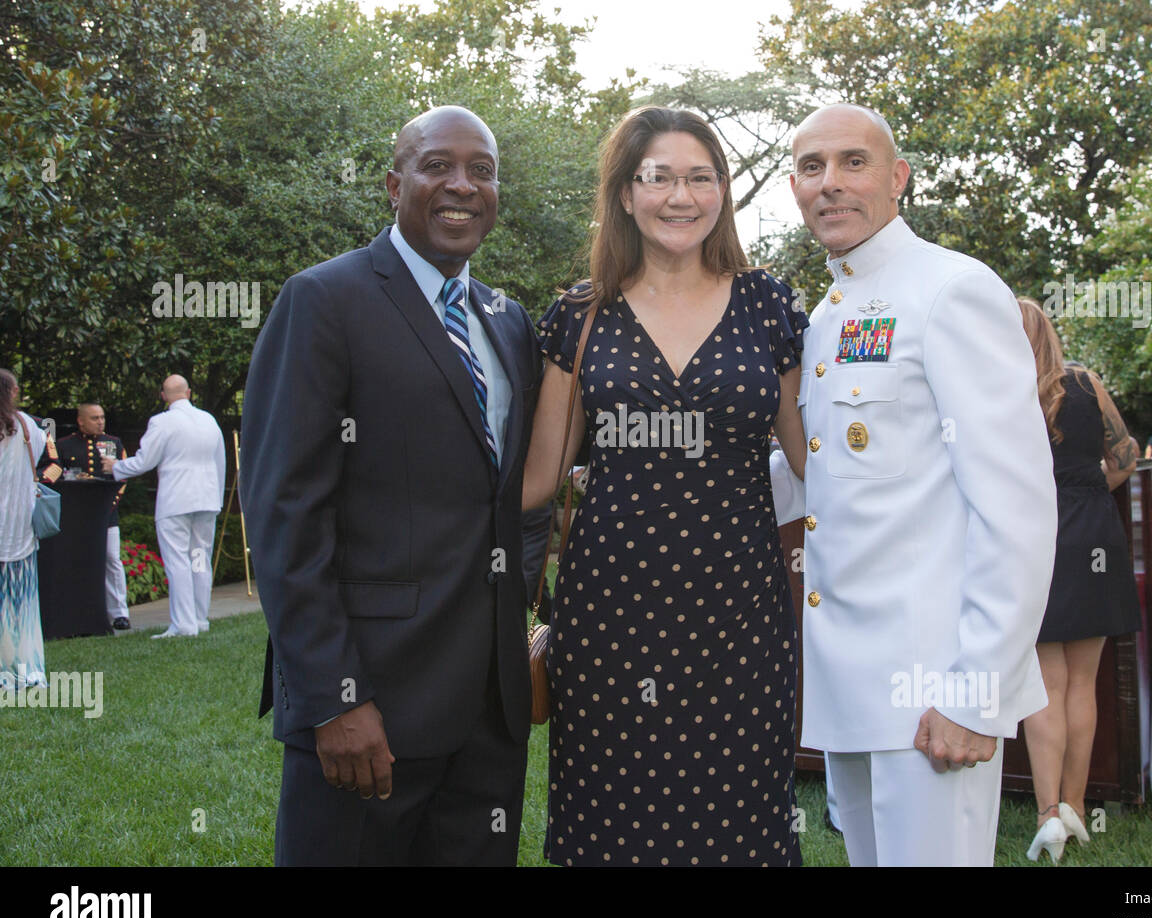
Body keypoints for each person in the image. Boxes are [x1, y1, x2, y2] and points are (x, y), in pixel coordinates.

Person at [241, 106, 542, 867]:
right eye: (437, 165)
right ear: (393, 183)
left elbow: (515, 495)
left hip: (490, 719)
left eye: (483, 170)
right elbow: (284, 514)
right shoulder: (324, 301)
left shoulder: (508, 324)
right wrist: (333, 696)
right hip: (369, 710)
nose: (462, 185)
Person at [769, 104, 1056, 866]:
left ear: (897, 178)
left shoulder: (951, 290)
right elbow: (824, 475)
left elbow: (1016, 509)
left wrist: (976, 689)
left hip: (936, 684)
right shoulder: (828, 315)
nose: (829, 184)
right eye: (810, 167)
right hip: (851, 683)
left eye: (852, 162)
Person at [522, 105, 809, 866]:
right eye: (659, 178)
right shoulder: (579, 315)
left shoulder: (770, 305)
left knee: (740, 827)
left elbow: (817, 459)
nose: (681, 196)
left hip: (740, 618)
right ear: (625, 194)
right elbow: (538, 481)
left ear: (722, 193)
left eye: (700, 177)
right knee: (615, 831)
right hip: (611, 618)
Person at [1018, 299, 1141, 863]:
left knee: (1045, 682)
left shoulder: (1003, 389)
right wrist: (1090, 485)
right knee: (1084, 683)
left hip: (1037, 532)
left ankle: (1048, 815)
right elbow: (1127, 455)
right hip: (1094, 529)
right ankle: (1073, 804)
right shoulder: (1086, 381)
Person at [108, 376, 225, 638]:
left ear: (163, 395)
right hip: (206, 498)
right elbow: (221, 462)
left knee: (178, 561)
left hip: (176, 499)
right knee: (199, 559)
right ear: (189, 393)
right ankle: (199, 618)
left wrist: (116, 467)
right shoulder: (209, 420)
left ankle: (184, 624)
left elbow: (144, 461)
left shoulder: (162, 422)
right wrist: (216, 498)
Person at [51, 403, 131, 630]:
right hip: (76, 515)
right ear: (81, 421)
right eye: (94, 418)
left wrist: (108, 505)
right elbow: (57, 476)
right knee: (77, 560)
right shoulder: (64, 446)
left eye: (102, 417)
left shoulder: (113, 444)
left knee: (112, 558)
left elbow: (122, 480)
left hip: (107, 514)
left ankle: (119, 613)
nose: (100, 422)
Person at [0, 369, 49, 690]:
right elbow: (42, 453)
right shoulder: (27, 426)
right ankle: (29, 667)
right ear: (14, 391)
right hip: (21, 526)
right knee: (24, 601)